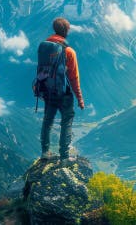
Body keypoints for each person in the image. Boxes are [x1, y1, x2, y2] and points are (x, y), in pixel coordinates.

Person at [38, 17, 85, 162]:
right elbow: (73, 77)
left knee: (47, 121)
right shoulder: (69, 51)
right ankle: (64, 156)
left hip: (47, 90)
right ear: (66, 31)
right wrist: (80, 98)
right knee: (67, 120)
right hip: (63, 93)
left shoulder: (43, 47)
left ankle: (45, 152)